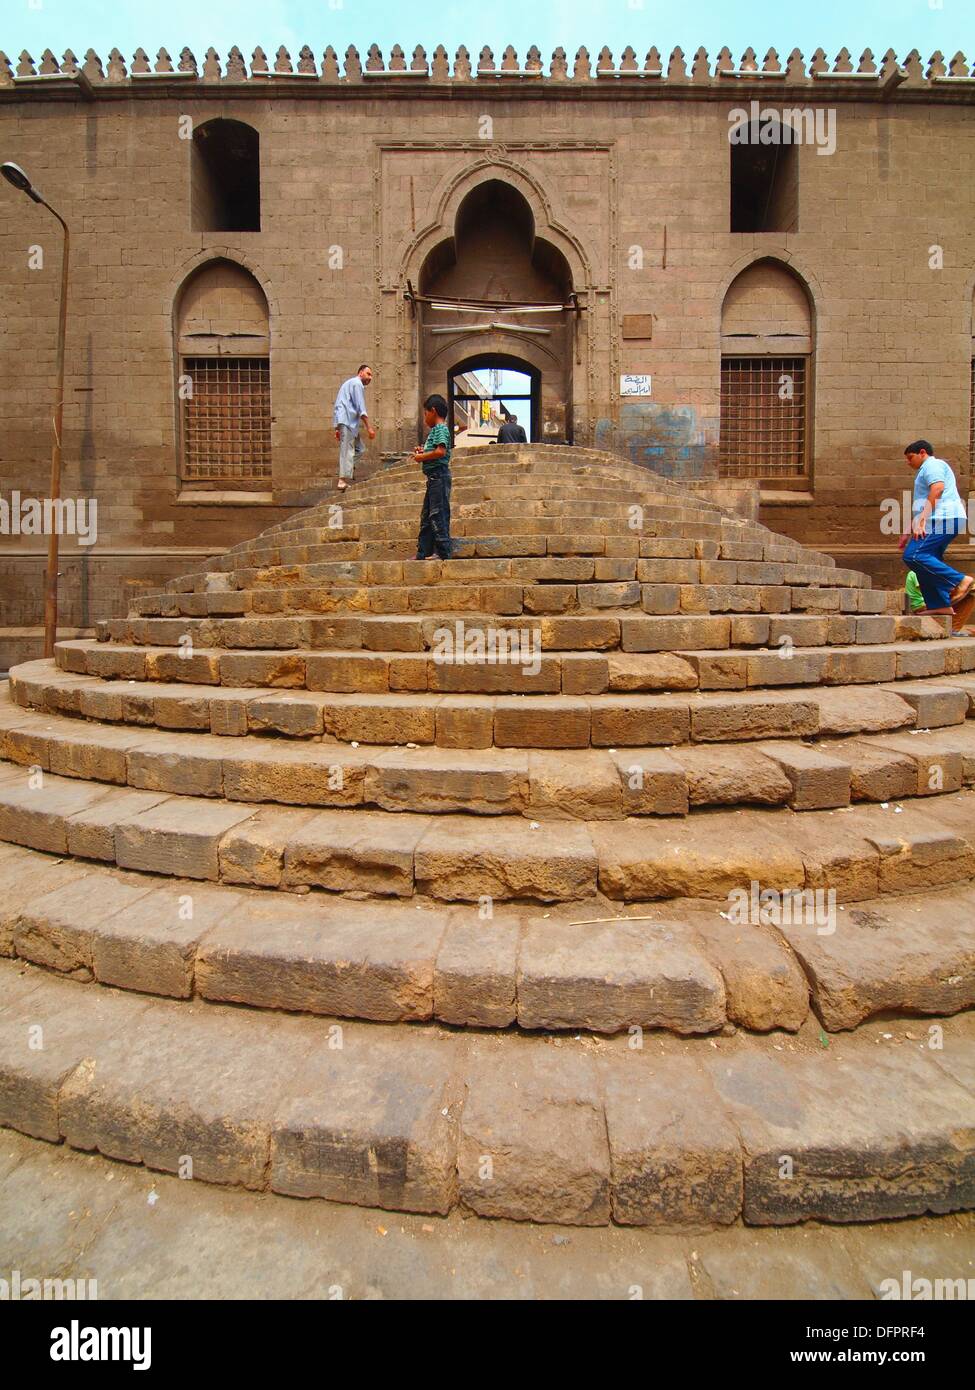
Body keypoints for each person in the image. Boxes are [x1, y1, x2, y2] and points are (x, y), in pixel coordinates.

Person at [901, 440, 973, 623]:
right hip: (942, 518)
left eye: (910, 458)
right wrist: (909, 529)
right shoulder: (925, 470)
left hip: (943, 518)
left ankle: (960, 580)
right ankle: (940, 605)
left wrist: (922, 520)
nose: (908, 462)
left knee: (914, 555)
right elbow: (923, 503)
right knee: (923, 564)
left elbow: (938, 489)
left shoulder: (932, 465)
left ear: (922, 452)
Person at [413, 394, 453, 560]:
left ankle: (443, 552)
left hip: (439, 476)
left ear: (433, 411)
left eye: (425, 413)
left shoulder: (441, 429)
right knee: (427, 516)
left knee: (438, 513)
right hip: (433, 478)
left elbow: (440, 451)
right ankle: (423, 552)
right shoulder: (435, 431)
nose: (424, 417)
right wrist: (423, 451)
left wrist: (421, 457)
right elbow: (434, 450)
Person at [332, 364, 375, 491]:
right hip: (347, 421)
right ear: (360, 373)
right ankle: (342, 480)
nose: (370, 378)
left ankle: (346, 469)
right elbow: (361, 408)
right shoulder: (357, 384)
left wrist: (337, 427)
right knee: (347, 451)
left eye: (371, 375)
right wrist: (369, 428)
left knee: (360, 449)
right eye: (368, 374)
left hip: (348, 423)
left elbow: (339, 404)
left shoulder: (349, 384)